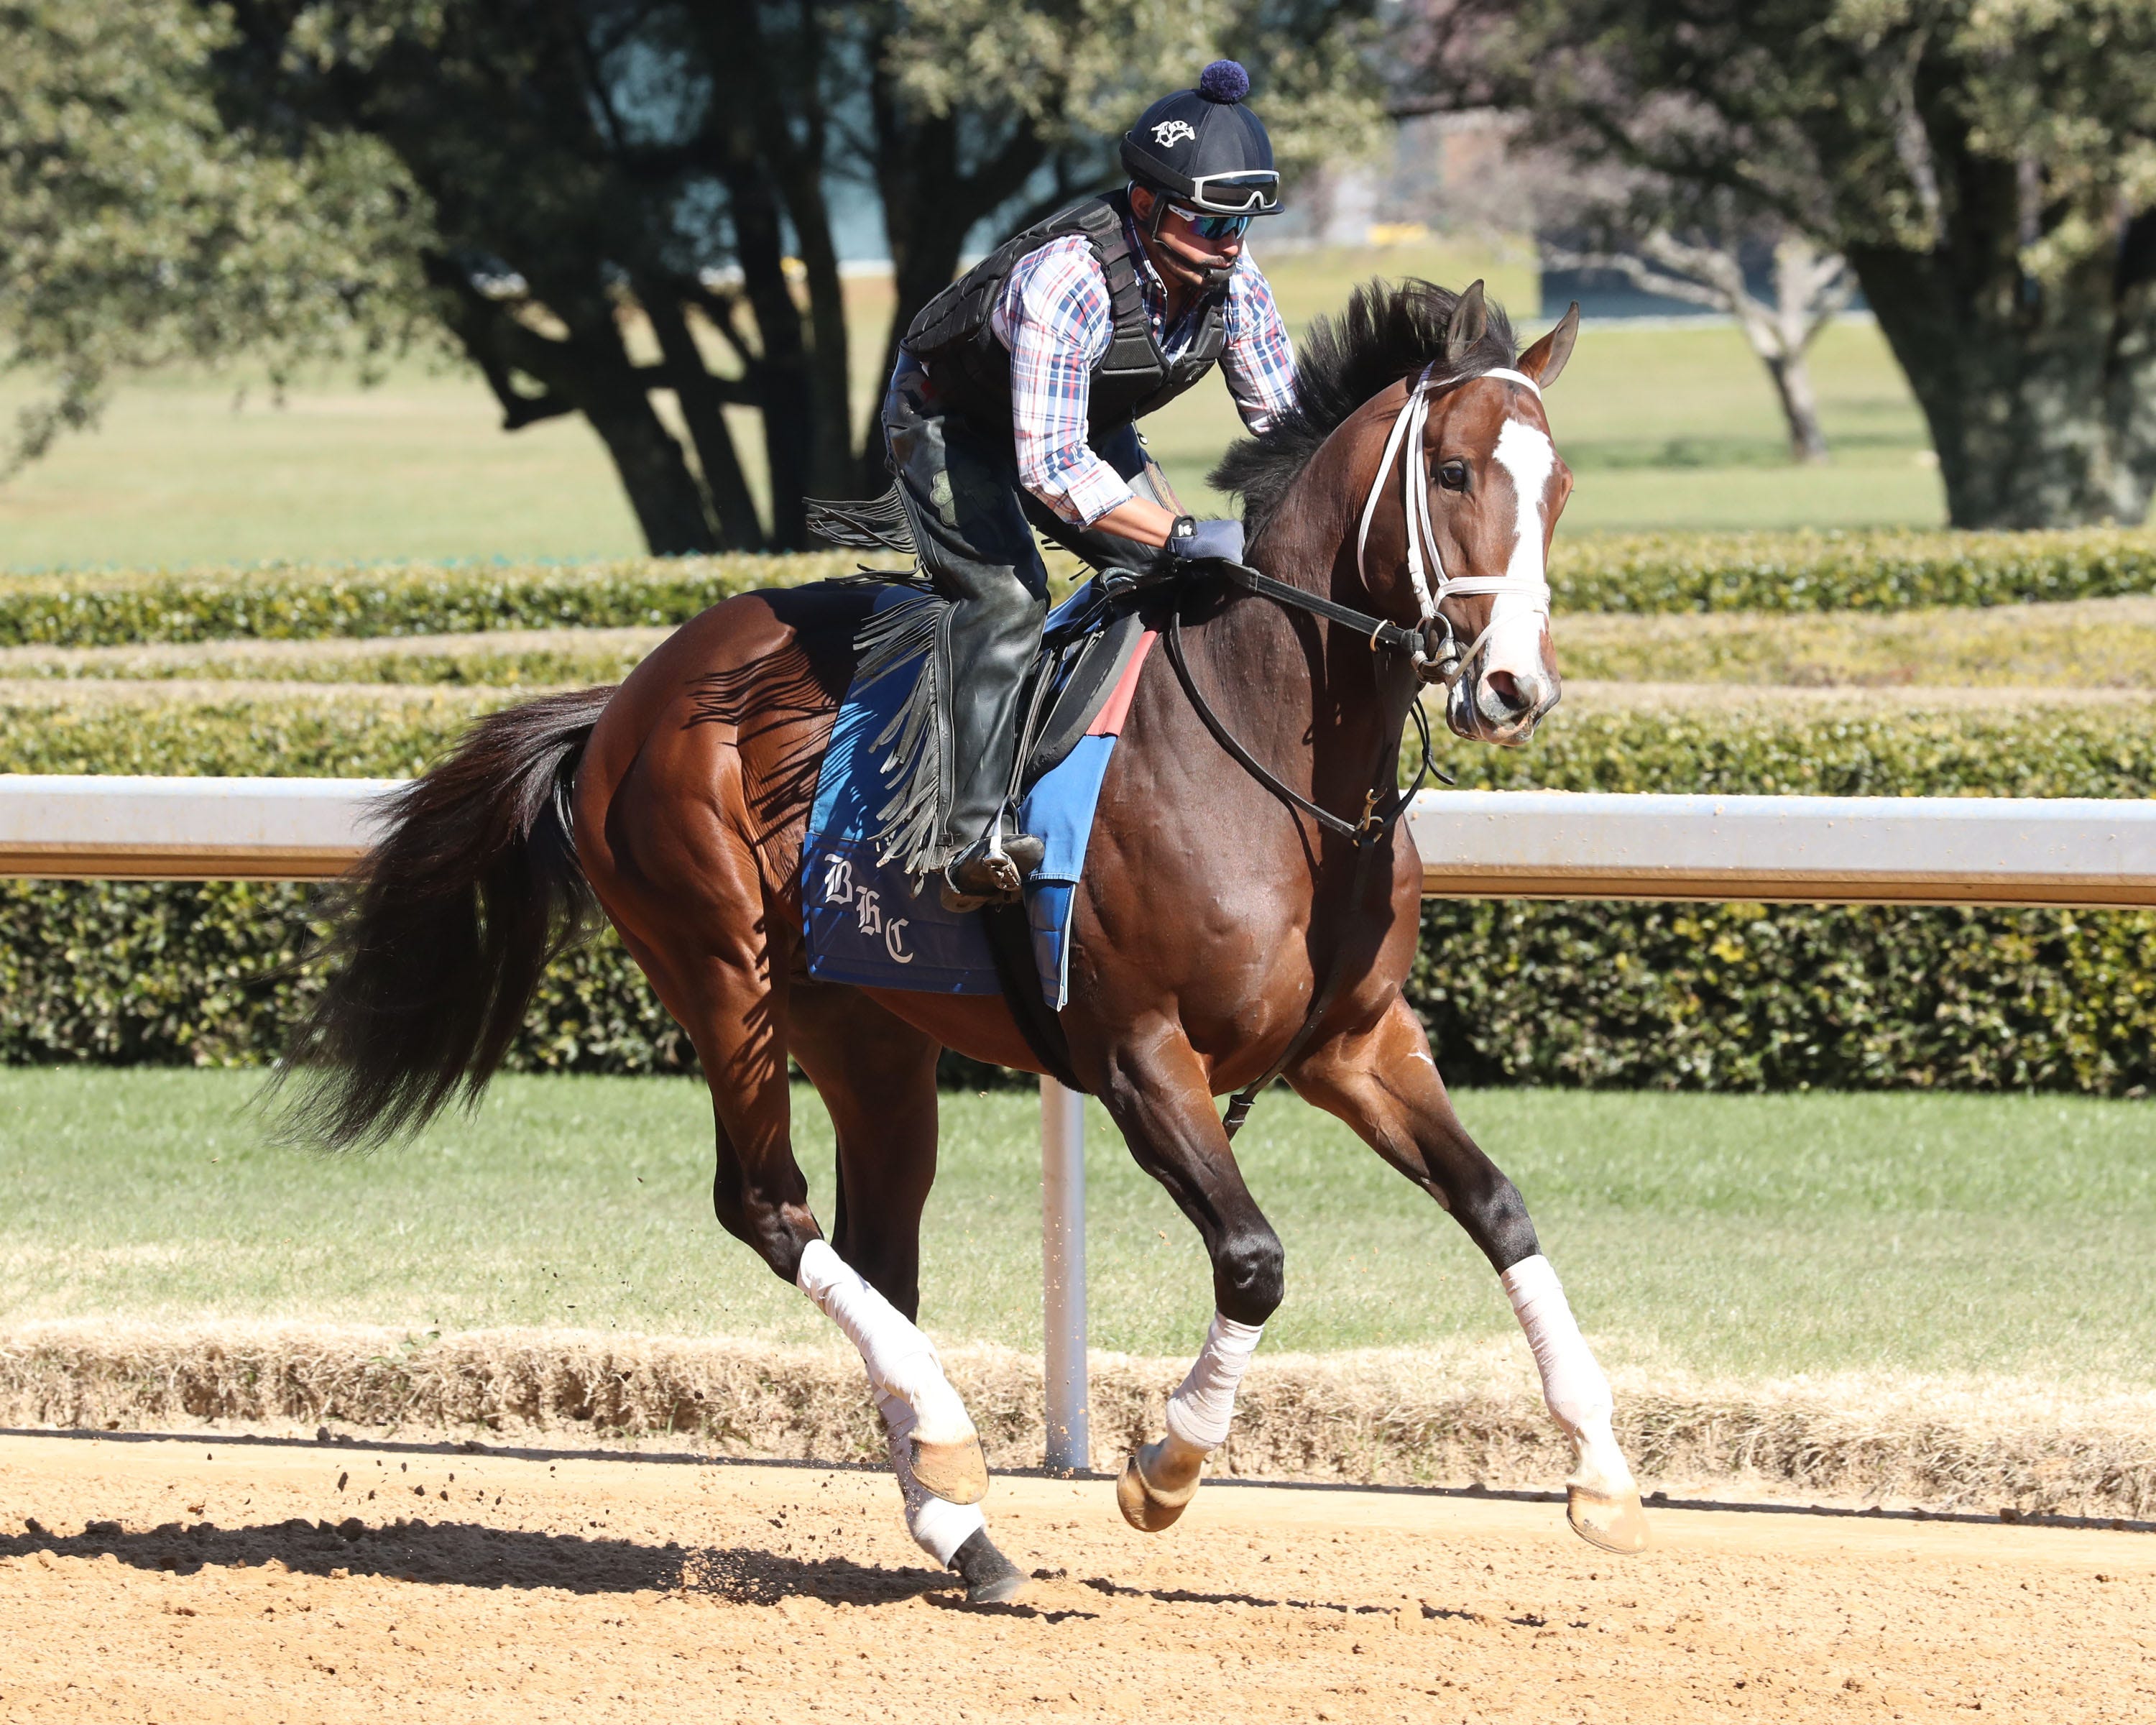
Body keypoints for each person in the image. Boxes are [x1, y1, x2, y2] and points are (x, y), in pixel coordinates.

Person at [885, 58, 1298, 909]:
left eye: (1242, 227)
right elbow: (1049, 469)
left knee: (1194, 578)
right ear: (1146, 205)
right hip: (951, 426)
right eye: (1211, 223)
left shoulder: (1235, 283)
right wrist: (1178, 530)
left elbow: (1288, 427)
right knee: (1006, 599)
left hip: (1073, 423)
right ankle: (965, 840)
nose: (1229, 247)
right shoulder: (1069, 278)